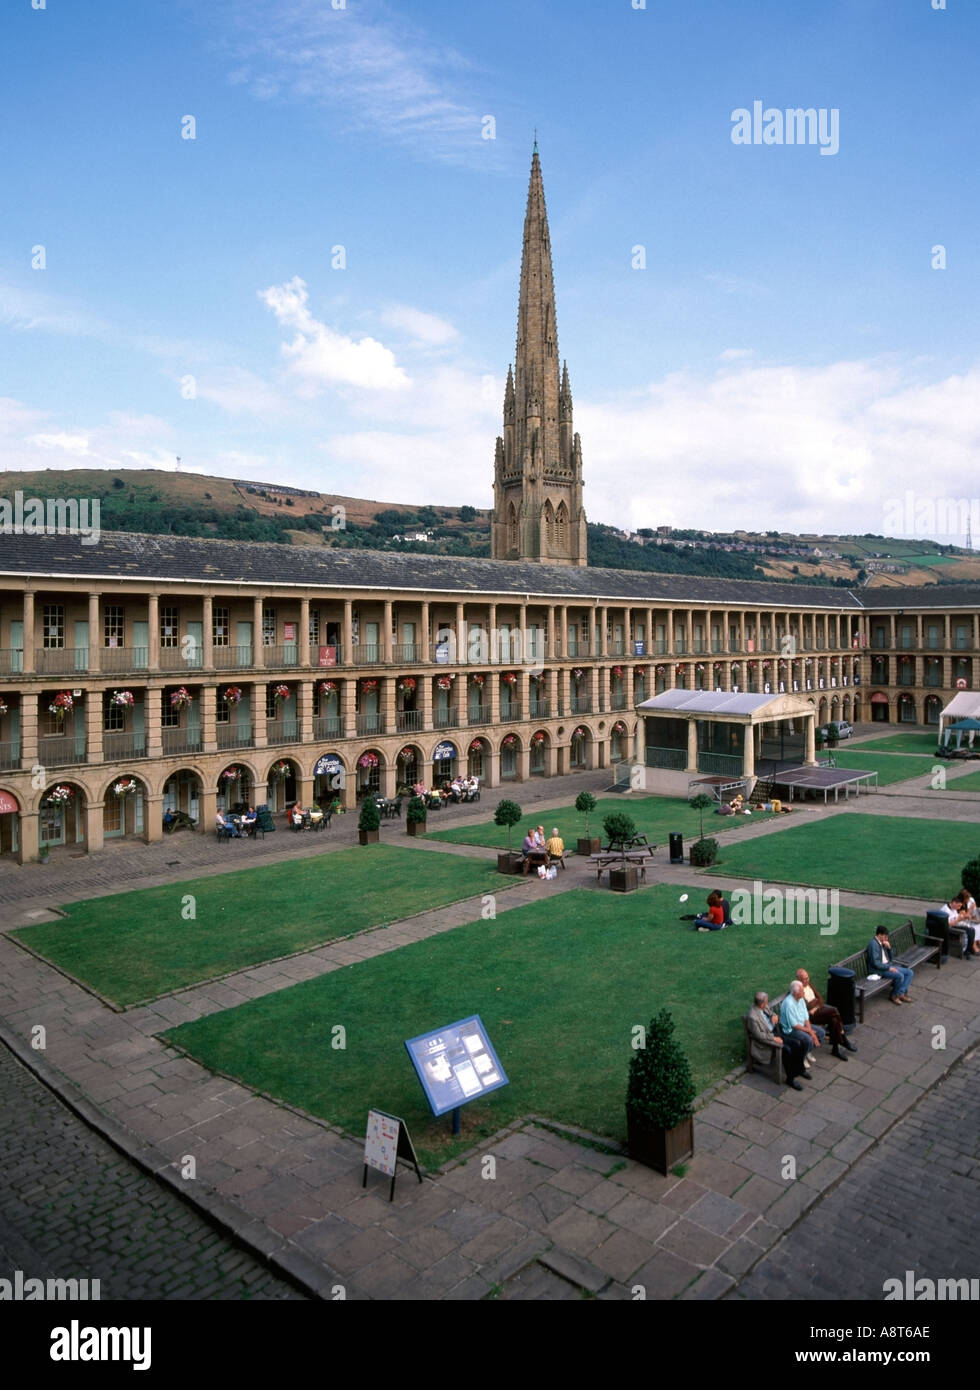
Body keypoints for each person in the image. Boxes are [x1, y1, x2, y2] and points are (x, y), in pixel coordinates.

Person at [746, 991, 808, 1090]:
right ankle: (790, 1079)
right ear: (761, 1003)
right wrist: (774, 1038)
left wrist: (774, 1016)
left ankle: (800, 1069)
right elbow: (758, 1036)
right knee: (786, 1050)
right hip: (767, 1038)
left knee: (797, 1044)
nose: (767, 1004)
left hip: (775, 1032)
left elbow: (770, 1012)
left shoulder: (763, 1006)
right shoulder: (752, 1017)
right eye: (766, 1002)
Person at [794, 968, 856, 1059]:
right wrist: (815, 1004)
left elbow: (820, 999)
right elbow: (807, 1007)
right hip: (809, 1017)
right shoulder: (797, 989)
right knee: (834, 1011)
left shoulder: (809, 985)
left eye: (808, 978)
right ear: (798, 979)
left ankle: (836, 1049)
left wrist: (815, 1005)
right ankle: (843, 1038)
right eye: (804, 979)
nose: (807, 980)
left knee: (834, 1020)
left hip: (818, 1011)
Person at [779, 980, 823, 1066]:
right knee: (809, 1039)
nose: (804, 992)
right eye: (802, 991)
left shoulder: (801, 999)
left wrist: (810, 1031)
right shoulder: (789, 1004)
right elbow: (794, 1025)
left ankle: (807, 1051)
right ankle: (802, 1058)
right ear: (796, 993)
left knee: (821, 1033)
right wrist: (810, 1032)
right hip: (790, 1030)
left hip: (801, 1025)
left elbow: (806, 1017)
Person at [868, 926, 913, 1003]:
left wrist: (889, 948)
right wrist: (888, 968)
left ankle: (900, 993)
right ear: (879, 935)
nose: (886, 938)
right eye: (885, 936)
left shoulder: (883, 942)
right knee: (900, 976)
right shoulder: (873, 944)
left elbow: (891, 958)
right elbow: (876, 963)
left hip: (888, 966)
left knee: (909, 972)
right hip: (879, 970)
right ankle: (894, 995)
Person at [940, 893, 978, 958]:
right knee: (970, 931)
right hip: (949, 928)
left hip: (956, 924)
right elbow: (948, 924)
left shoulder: (954, 908)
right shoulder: (945, 910)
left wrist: (964, 917)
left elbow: (956, 917)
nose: (959, 908)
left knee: (972, 929)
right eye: (959, 906)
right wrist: (958, 920)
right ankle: (967, 951)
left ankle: (969, 949)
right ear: (954, 903)